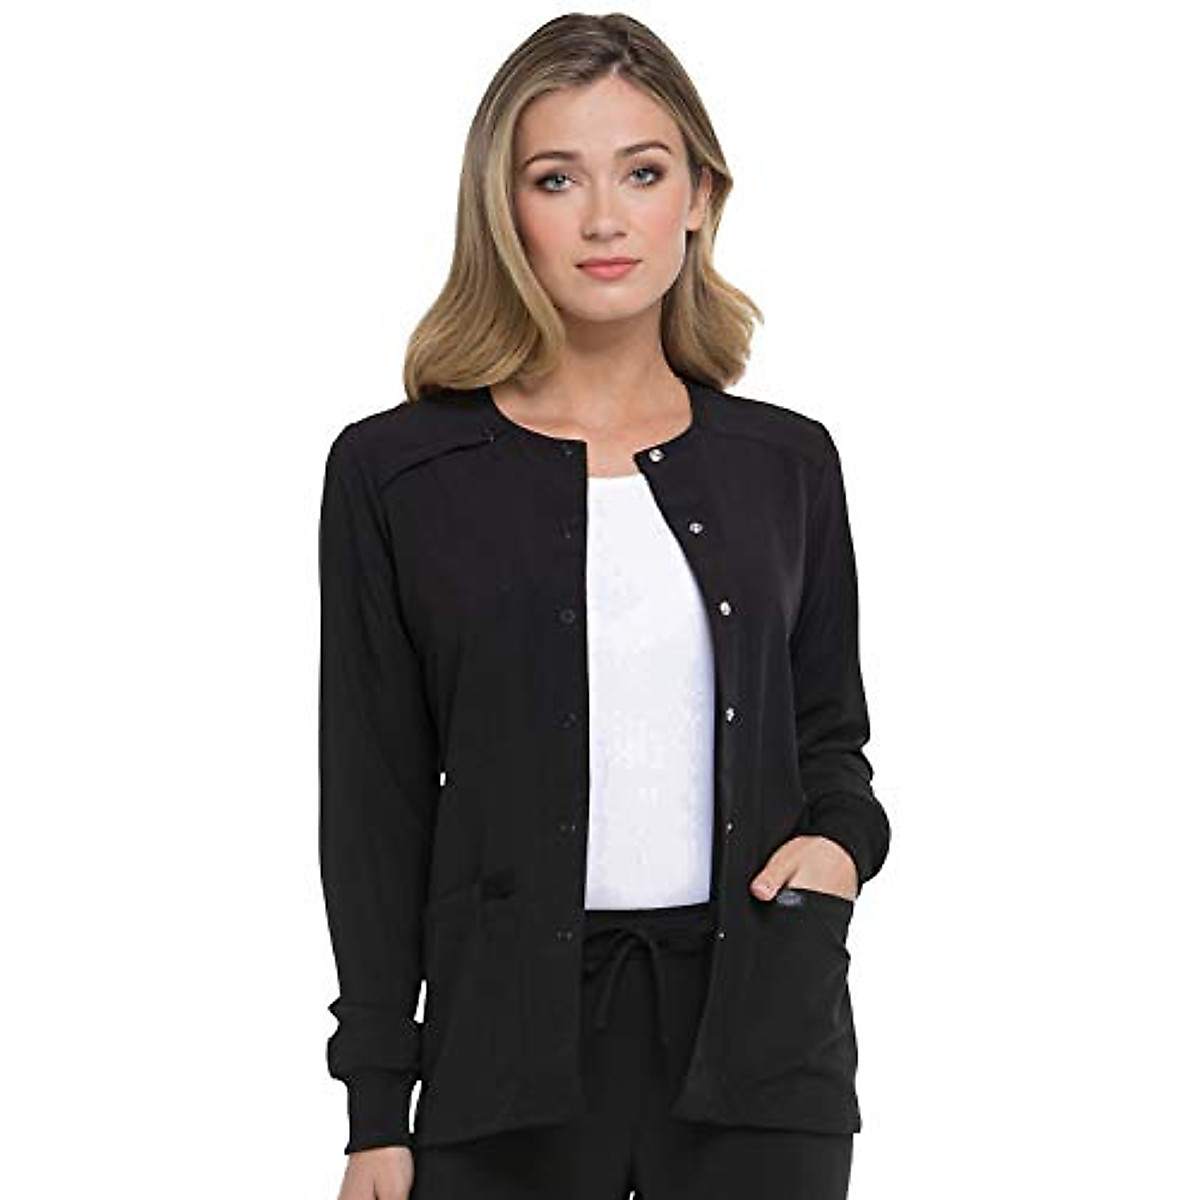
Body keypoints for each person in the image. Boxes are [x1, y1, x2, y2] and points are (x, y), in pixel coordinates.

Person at [319, 13, 891, 1200]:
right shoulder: (396, 473)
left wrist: (839, 849)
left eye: (641, 172)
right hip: (501, 1058)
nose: (602, 220)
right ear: (502, 207)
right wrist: (377, 1108)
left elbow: (831, 734)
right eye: (555, 178)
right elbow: (373, 802)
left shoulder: (786, 463)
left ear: (699, 197)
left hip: (759, 1051)